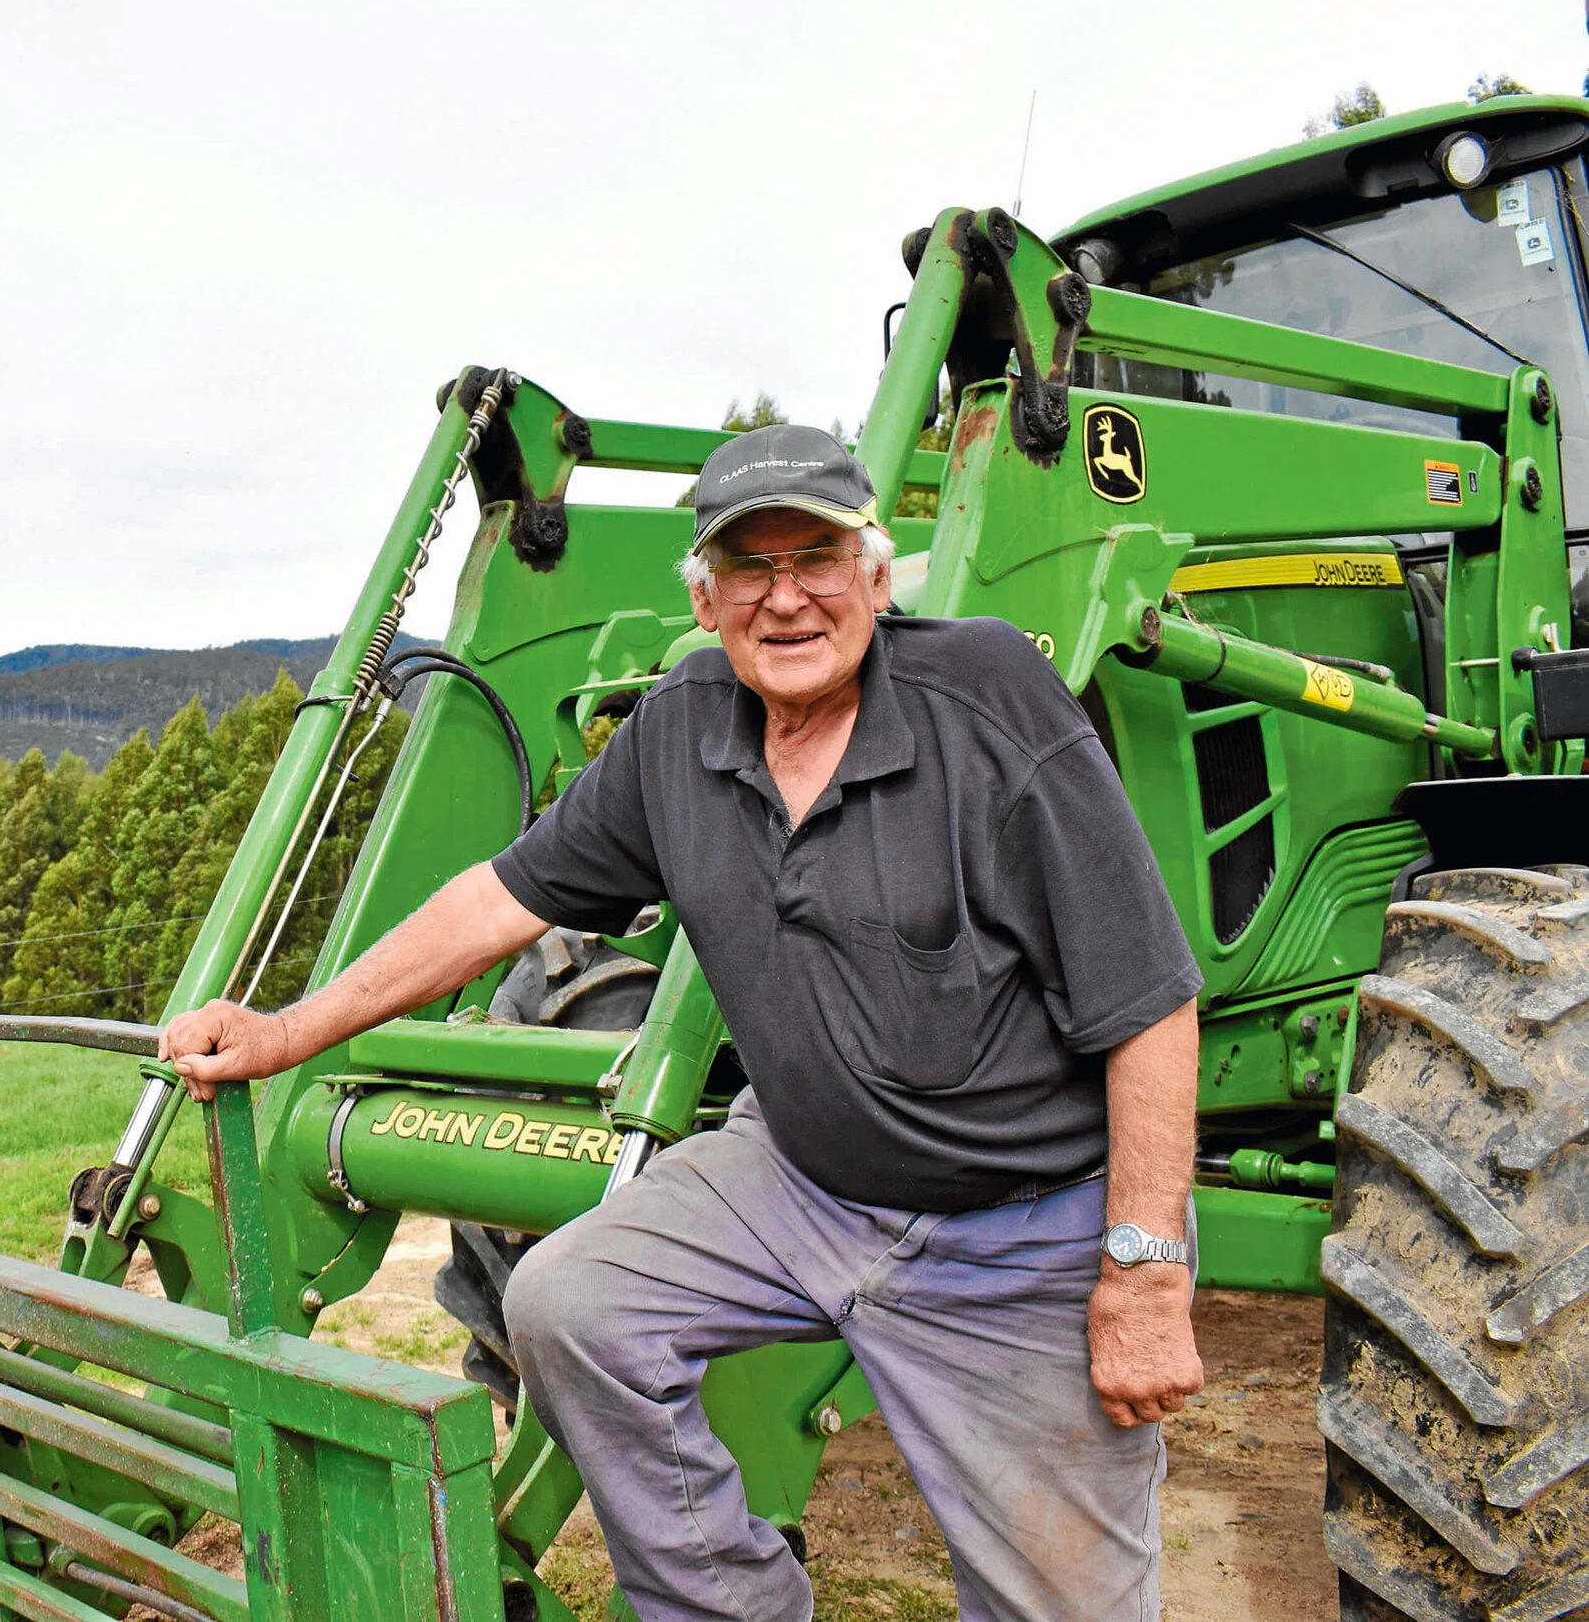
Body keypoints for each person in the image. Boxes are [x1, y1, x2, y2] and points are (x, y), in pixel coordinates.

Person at [159, 423, 1206, 1622]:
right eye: (748, 567)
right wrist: (289, 1030)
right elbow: (495, 899)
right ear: (705, 599)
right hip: (799, 1178)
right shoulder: (683, 724)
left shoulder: (985, 698)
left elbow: (1151, 1003)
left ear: (875, 572)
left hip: (1013, 1231)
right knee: (569, 1305)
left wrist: (1142, 1272)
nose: (787, 596)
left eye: (815, 556)